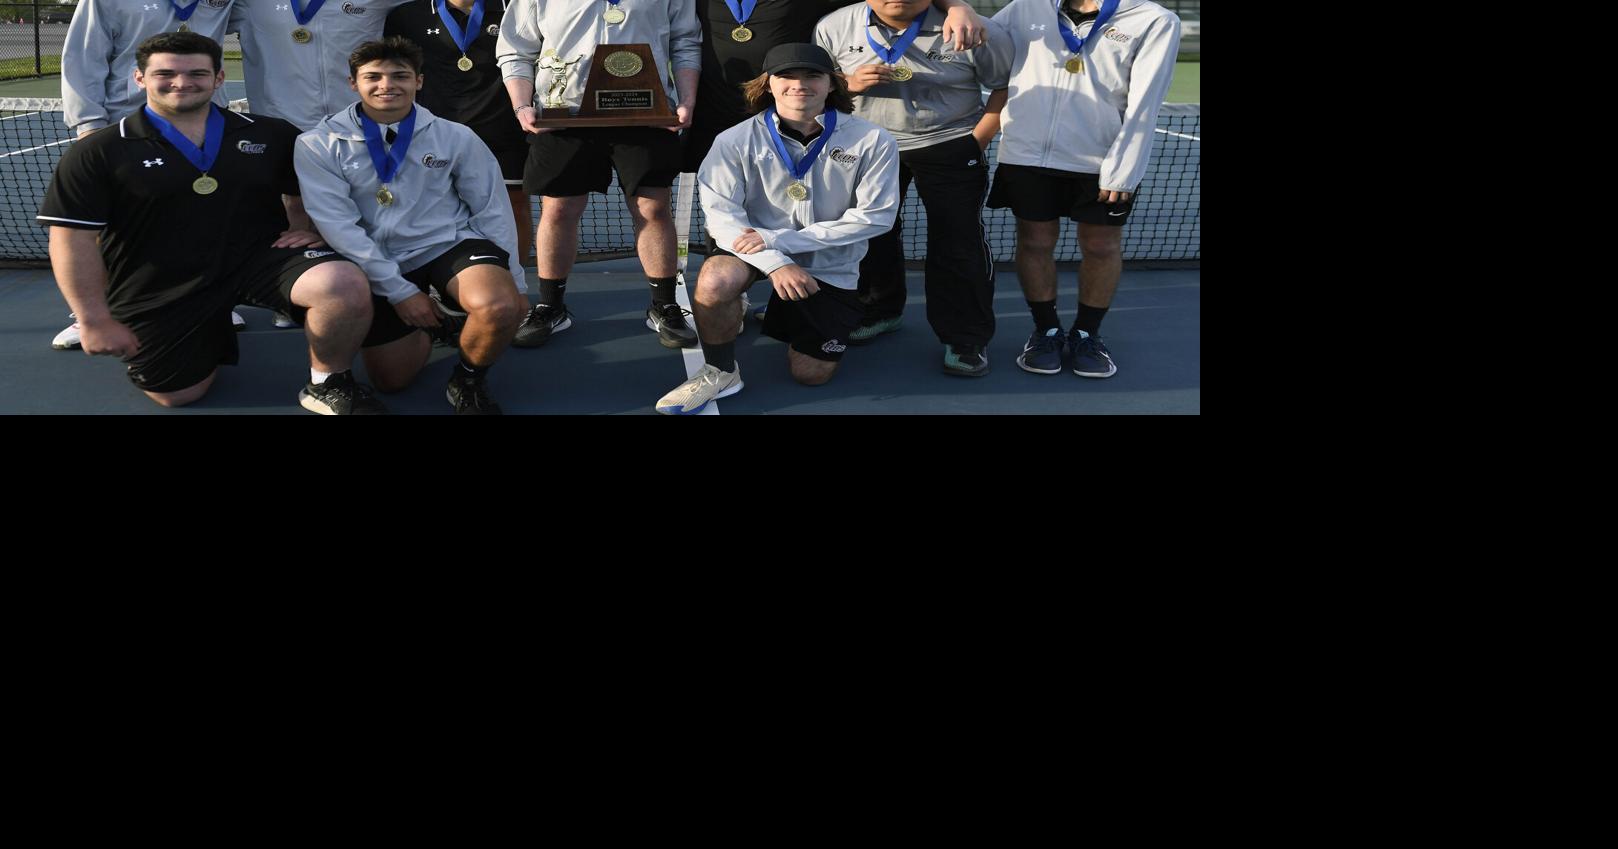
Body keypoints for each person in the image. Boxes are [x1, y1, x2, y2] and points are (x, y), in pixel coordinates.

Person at [37, 32, 388, 414]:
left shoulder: (270, 134)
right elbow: (72, 239)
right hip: (161, 278)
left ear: (219, 78)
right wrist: (93, 319)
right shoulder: (99, 151)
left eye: (197, 74)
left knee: (343, 283)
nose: (182, 82)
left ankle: (328, 381)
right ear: (139, 78)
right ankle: (206, 322)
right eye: (165, 73)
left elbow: (304, 192)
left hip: (258, 259)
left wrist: (310, 230)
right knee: (177, 395)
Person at [657, 43, 898, 415]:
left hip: (829, 261)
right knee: (715, 280)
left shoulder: (873, 140)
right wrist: (775, 261)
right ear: (767, 84)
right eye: (787, 76)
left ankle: (785, 311)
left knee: (810, 374)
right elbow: (721, 216)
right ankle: (720, 371)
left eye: (812, 76)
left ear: (832, 84)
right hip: (753, 252)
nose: (799, 85)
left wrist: (780, 239)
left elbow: (876, 217)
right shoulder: (733, 141)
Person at [295, 37, 528, 414]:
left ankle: (468, 379)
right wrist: (400, 291)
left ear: (419, 81)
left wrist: (515, 282)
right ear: (353, 83)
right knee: (392, 381)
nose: (387, 85)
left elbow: (492, 210)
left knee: (501, 306)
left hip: (445, 244)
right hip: (370, 258)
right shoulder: (317, 144)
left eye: (399, 76)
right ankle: (436, 324)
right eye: (373, 77)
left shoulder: (456, 136)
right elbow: (339, 226)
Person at [983, 0, 1180, 378]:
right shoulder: (1025, 7)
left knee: (1101, 246)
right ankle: (1047, 331)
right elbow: (989, 52)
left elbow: (1146, 101)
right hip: (1027, 155)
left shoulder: (1154, 19)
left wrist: (1123, 169)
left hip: (1100, 160)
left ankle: (1088, 334)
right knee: (1035, 242)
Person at [815, 0, 1012, 376]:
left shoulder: (976, 28)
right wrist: (847, 84)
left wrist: (975, 143)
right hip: (867, 147)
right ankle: (879, 310)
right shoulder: (834, 25)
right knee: (871, 235)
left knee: (958, 241)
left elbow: (1005, 89)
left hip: (950, 142)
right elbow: (815, 86)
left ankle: (965, 336)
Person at [495, 0, 700, 349]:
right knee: (558, 210)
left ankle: (664, 305)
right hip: (564, 114)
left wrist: (687, 99)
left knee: (652, 208)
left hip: (644, 112)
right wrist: (521, 103)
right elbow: (516, 48)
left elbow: (685, 42)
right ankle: (550, 306)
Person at [52, 0, 245, 350]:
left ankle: (209, 301)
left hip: (201, 118)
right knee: (110, 225)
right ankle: (93, 315)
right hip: (123, 118)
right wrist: (88, 124)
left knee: (200, 213)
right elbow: (83, 55)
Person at [384, 0, 534, 267]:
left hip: (504, 130)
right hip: (434, 134)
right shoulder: (406, 15)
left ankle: (515, 283)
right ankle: (436, 284)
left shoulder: (516, 7)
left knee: (513, 208)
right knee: (429, 208)